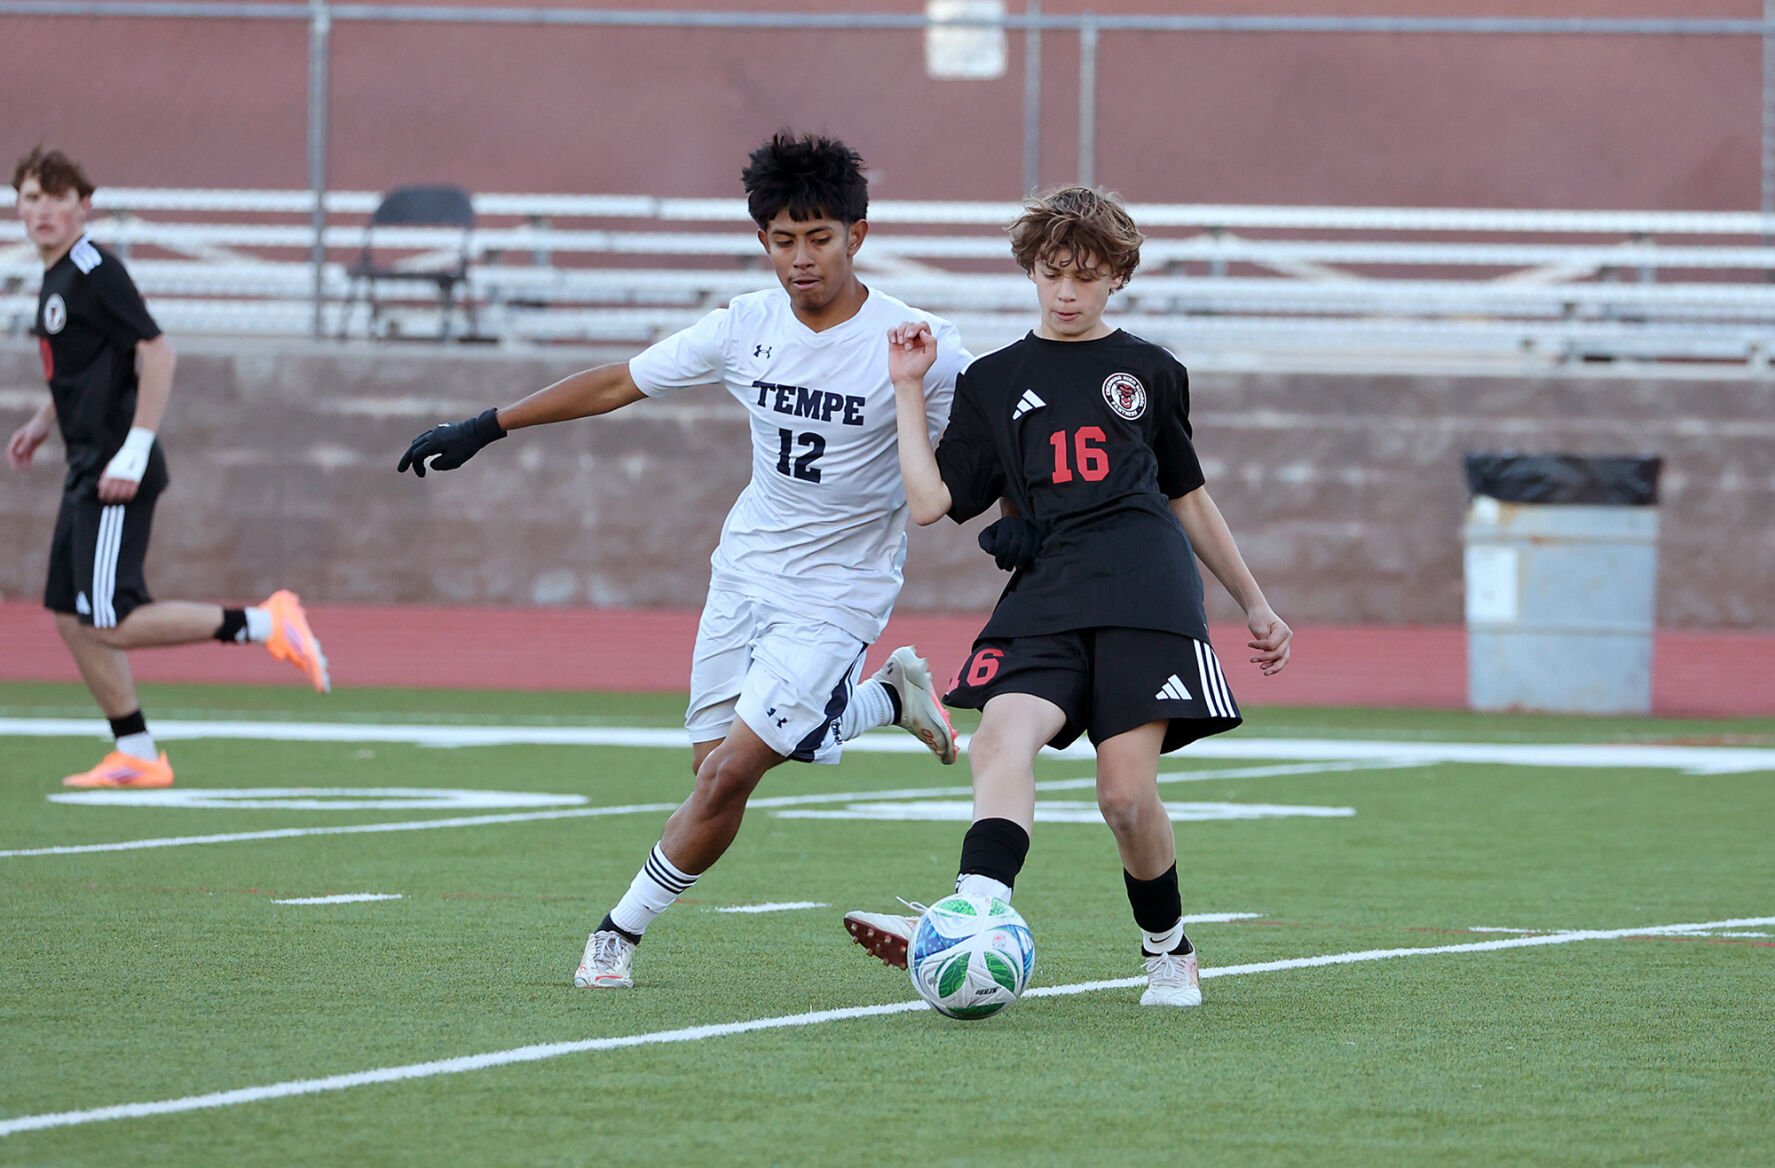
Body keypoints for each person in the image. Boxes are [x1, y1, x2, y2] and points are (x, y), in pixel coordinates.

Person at [396, 131, 972, 989]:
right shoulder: (743, 324)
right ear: (761, 241)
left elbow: (994, 440)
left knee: (731, 773)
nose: (801, 258)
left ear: (858, 233)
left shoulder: (919, 345)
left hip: (838, 592)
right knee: (712, 767)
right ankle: (885, 700)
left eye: (819, 238)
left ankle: (615, 935)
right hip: (742, 572)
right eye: (783, 240)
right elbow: (618, 382)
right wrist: (485, 427)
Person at [843, 186, 1293, 1007]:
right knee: (996, 743)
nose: (1066, 293)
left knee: (1123, 794)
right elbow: (929, 503)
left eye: (1085, 277)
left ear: (1116, 277)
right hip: (1047, 587)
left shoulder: (1152, 370)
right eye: (1052, 274)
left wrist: (1253, 604)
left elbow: (1187, 496)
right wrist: (907, 387)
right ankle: (974, 913)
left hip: (1144, 585)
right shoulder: (991, 378)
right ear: (1031, 271)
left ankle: (1168, 951)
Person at [6, 146, 330, 789]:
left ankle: (266, 623)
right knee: (72, 617)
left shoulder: (95, 268)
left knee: (113, 621)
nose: (42, 210)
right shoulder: (56, 275)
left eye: (55, 197)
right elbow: (86, 367)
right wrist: (44, 422)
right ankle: (137, 752)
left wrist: (134, 445)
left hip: (114, 468)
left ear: (83, 205)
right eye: (30, 198)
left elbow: (156, 352)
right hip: (86, 466)